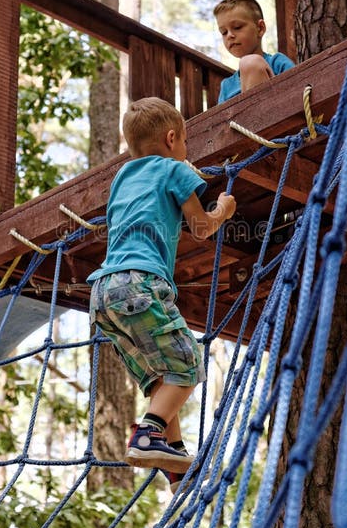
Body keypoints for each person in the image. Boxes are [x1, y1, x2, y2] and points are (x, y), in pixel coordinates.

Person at [88, 97, 236, 490]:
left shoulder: (122, 177)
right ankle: (148, 432)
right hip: (141, 282)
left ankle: (174, 459)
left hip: (103, 293)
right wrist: (222, 210)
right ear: (172, 138)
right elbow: (200, 227)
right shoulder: (174, 170)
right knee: (188, 364)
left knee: (160, 378)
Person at [213, 0, 295, 103]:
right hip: (242, 120)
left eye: (237, 27)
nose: (229, 35)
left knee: (250, 63)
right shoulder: (226, 86)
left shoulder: (277, 62)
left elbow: (300, 94)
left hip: (279, 116)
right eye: (224, 32)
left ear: (260, 28)